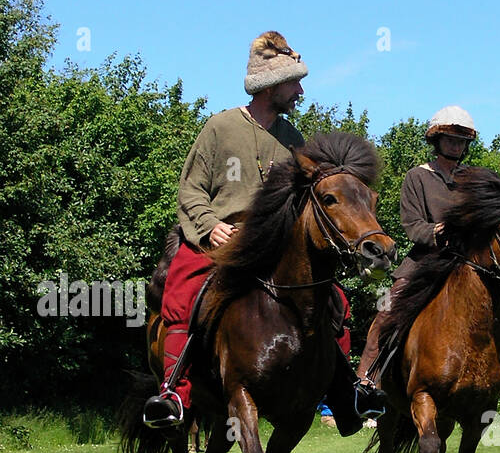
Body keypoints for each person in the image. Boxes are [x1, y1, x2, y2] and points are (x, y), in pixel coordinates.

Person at [142, 32, 376, 430]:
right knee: (182, 290)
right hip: (219, 239)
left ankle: (343, 392)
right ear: (271, 85)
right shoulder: (219, 127)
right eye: (294, 83)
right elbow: (191, 189)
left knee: (335, 300)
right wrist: (210, 227)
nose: (300, 90)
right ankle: (173, 393)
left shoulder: (295, 143)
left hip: (274, 247)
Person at [354, 105, 500, 423]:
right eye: (449, 139)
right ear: (436, 141)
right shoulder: (417, 177)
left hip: (471, 265)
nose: (455, 146)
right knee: (387, 310)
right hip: (426, 261)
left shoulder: (476, 180)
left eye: (461, 141)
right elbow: (411, 224)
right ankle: (367, 384)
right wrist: (436, 231)